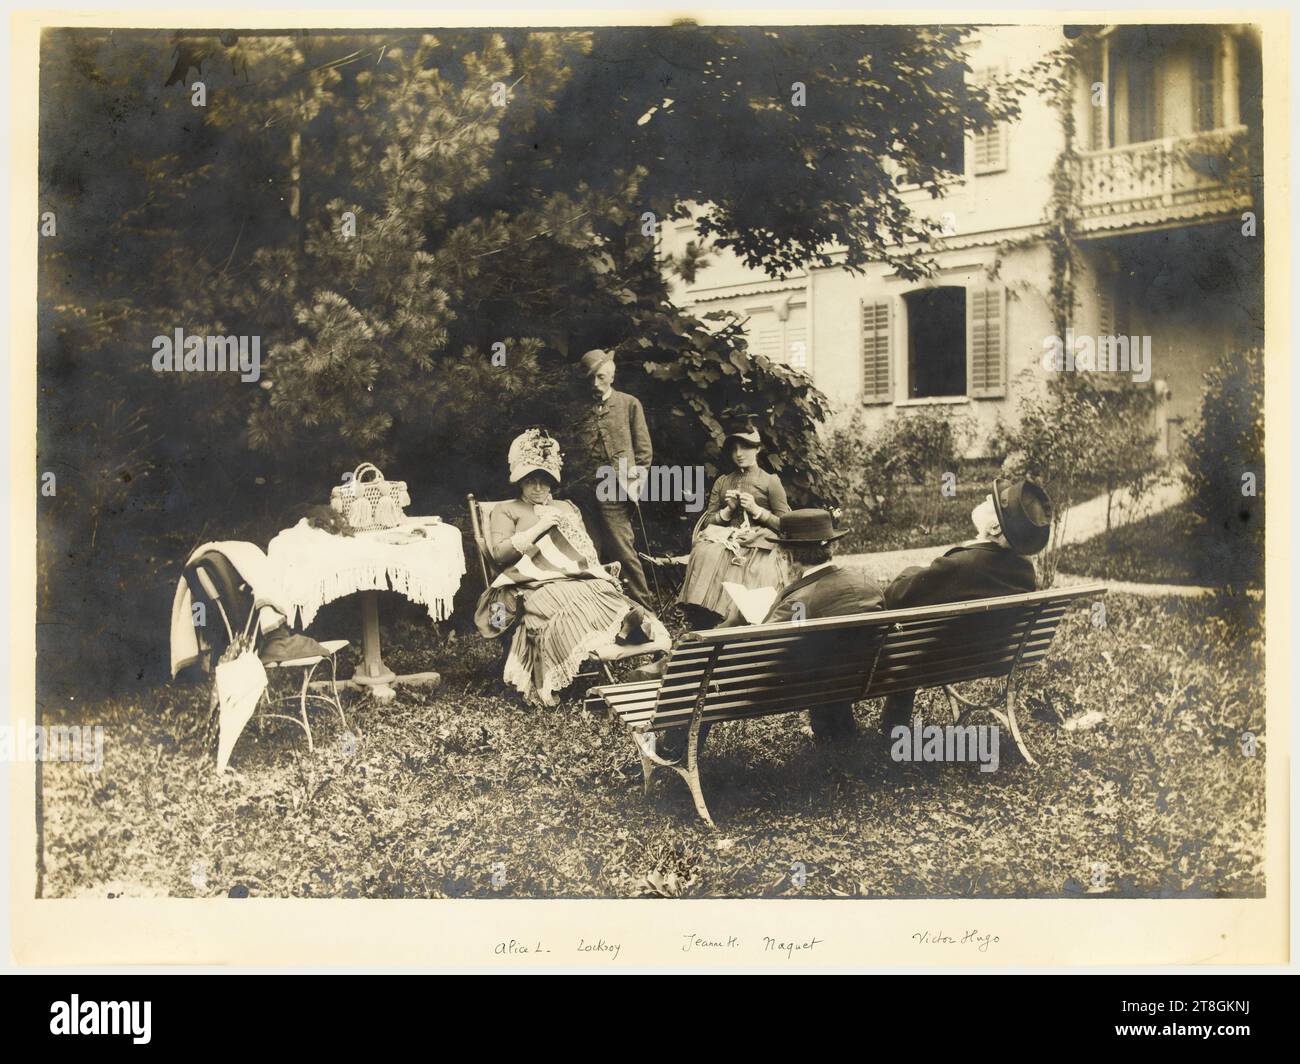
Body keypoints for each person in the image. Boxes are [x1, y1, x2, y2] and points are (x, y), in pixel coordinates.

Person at [655, 508, 883, 753]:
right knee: (828, 654)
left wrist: (736, 623)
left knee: (698, 666)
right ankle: (838, 732)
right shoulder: (867, 585)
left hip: (791, 685)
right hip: (855, 677)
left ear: (789, 558)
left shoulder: (799, 601)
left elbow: (760, 652)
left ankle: (674, 750)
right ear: (831, 549)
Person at [474, 429, 658, 707]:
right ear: (520, 482)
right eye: (531, 481)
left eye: (544, 482)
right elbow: (499, 554)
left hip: (574, 574)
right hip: (532, 581)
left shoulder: (566, 507)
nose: (538, 488)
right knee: (569, 600)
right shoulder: (506, 509)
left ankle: (625, 629)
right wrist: (540, 527)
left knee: (599, 588)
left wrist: (594, 565)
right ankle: (607, 634)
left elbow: (584, 551)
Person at [877, 477, 1052, 737]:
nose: (983, 499)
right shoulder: (1024, 572)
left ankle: (881, 728)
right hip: (988, 657)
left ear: (993, 527)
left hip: (932, 660)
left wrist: (912, 572)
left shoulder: (960, 566)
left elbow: (895, 597)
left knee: (904, 648)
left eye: (989, 501)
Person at [677, 413, 791, 622]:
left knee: (755, 565)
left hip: (762, 541)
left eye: (745, 447)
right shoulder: (723, 481)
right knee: (704, 551)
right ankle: (705, 614)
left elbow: (787, 525)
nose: (739, 454)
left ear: (757, 449)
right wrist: (728, 511)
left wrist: (757, 511)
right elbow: (708, 521)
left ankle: (738, 618)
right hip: (726, 538)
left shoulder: (770, 481)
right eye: (734, 449)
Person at [571, 348, 654, 608]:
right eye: (591, 379)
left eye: (601, 377)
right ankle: (595, 609)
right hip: (585, 490)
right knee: (588, 550)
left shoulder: (629, 404)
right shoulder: (580, 410)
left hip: (616, 489)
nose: (596, 384)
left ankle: (645, 609)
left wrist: (633, 488)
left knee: (623, 550)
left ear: (612, 375)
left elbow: (644, 452)